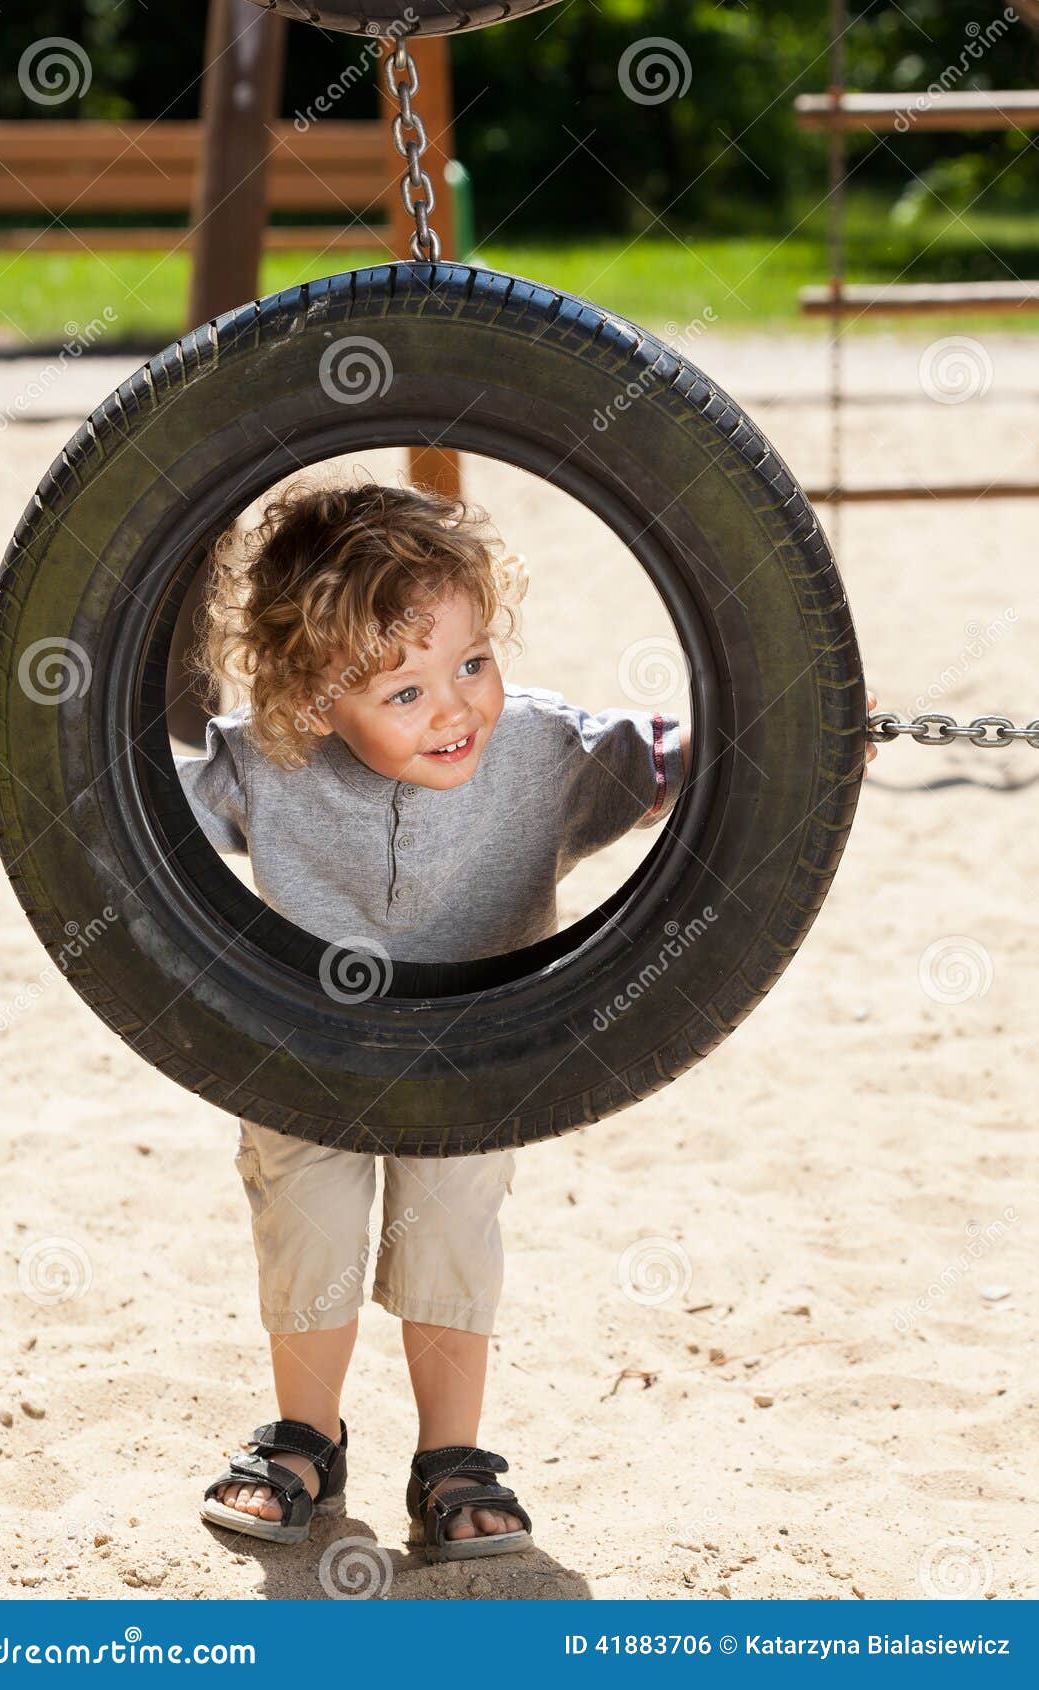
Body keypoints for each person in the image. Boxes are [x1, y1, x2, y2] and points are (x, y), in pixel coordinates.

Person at [175, 474, 876, 1559]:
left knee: (451, 1227)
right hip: (303, 1048)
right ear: (316, 702)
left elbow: (672, 767)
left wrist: (803, 746)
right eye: (401, 692)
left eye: (471, 662)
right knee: (305, 1224)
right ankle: (303, 1439)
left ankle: (450, 1458)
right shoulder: (264, 760)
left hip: (476, 1052)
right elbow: (117, 811)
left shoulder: (542, 750)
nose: (455, 707)